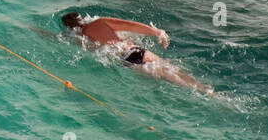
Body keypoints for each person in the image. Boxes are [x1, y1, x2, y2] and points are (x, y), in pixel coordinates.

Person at [60, 12, 212, 94]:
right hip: (135, 51)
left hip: (127, 60)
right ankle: (208, 91)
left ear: (70, 28)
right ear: (81, 18)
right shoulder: (99, 22)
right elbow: (130, 26)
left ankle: (205, 93)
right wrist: (156, 32)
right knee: (173, 70)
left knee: (169, 78)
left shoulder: (79, 38)